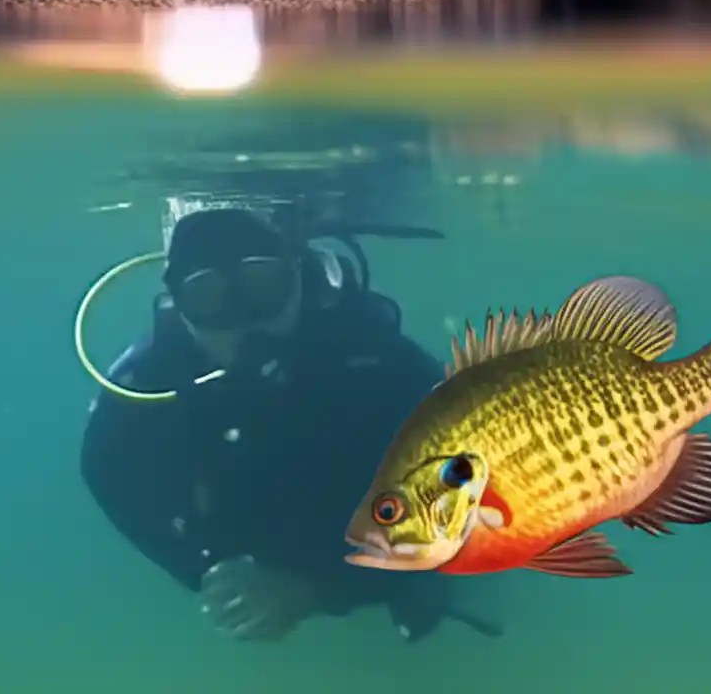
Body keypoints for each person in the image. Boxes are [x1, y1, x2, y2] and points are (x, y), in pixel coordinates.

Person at [77, 205, 502, 643]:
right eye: (208, 297)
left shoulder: (372, 353)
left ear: (297, 276)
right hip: (258, 536)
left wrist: (320, 590)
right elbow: (105, 468)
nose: (245, 319)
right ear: (179, 310)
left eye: (263, 285)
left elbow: (473, 475)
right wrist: (204, 570)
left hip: (370, 529)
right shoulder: (150, 380)